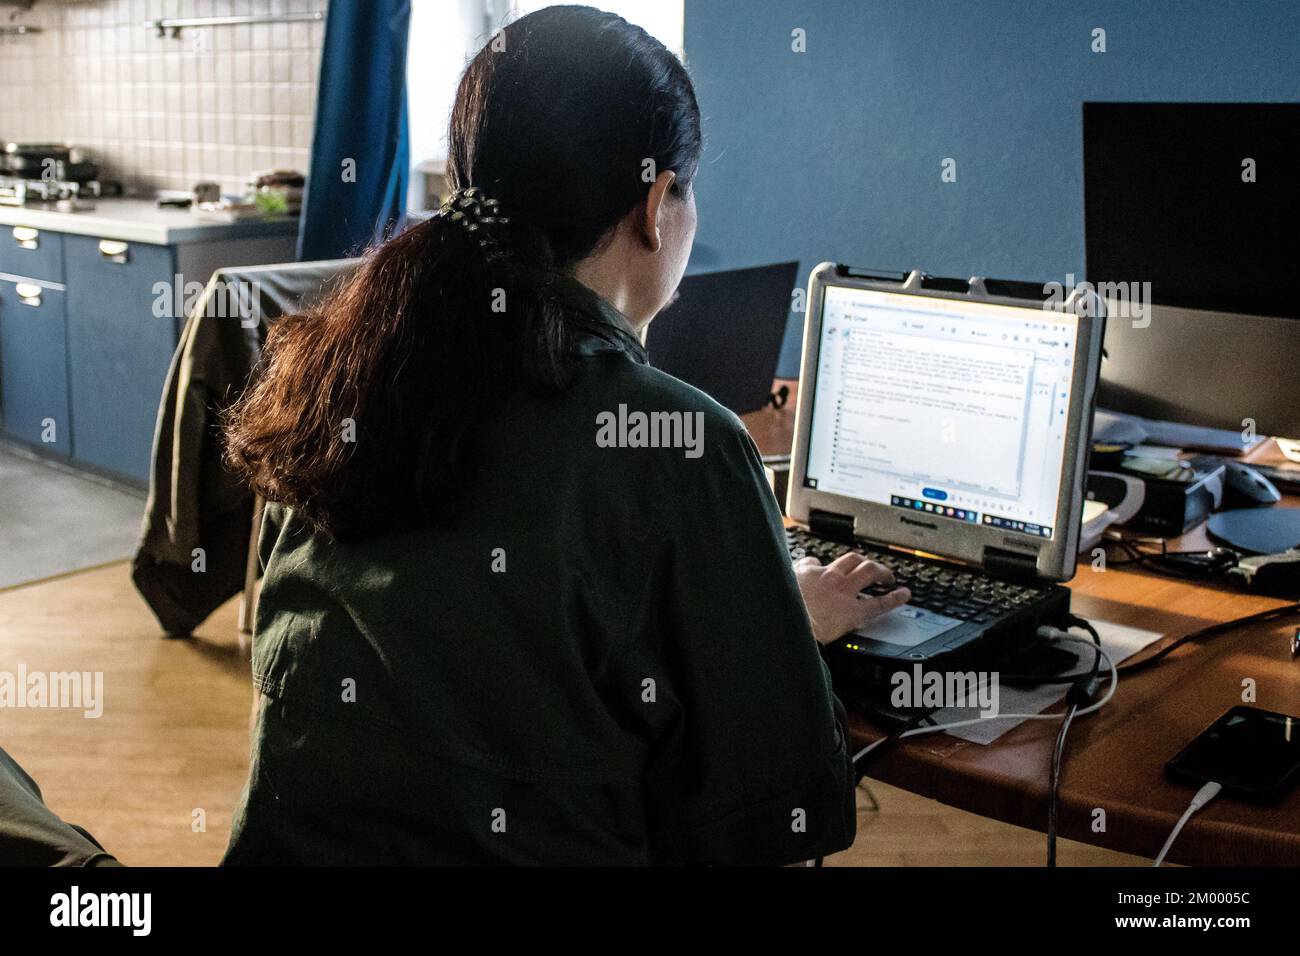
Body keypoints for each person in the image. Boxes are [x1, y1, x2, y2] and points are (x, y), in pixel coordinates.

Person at [218, 4, 909, 866]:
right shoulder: (684, 445)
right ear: (657, 205)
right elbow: (779, 816)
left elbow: (473, 649)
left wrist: (763, 616)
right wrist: (768, 632)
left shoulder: (338, 382)